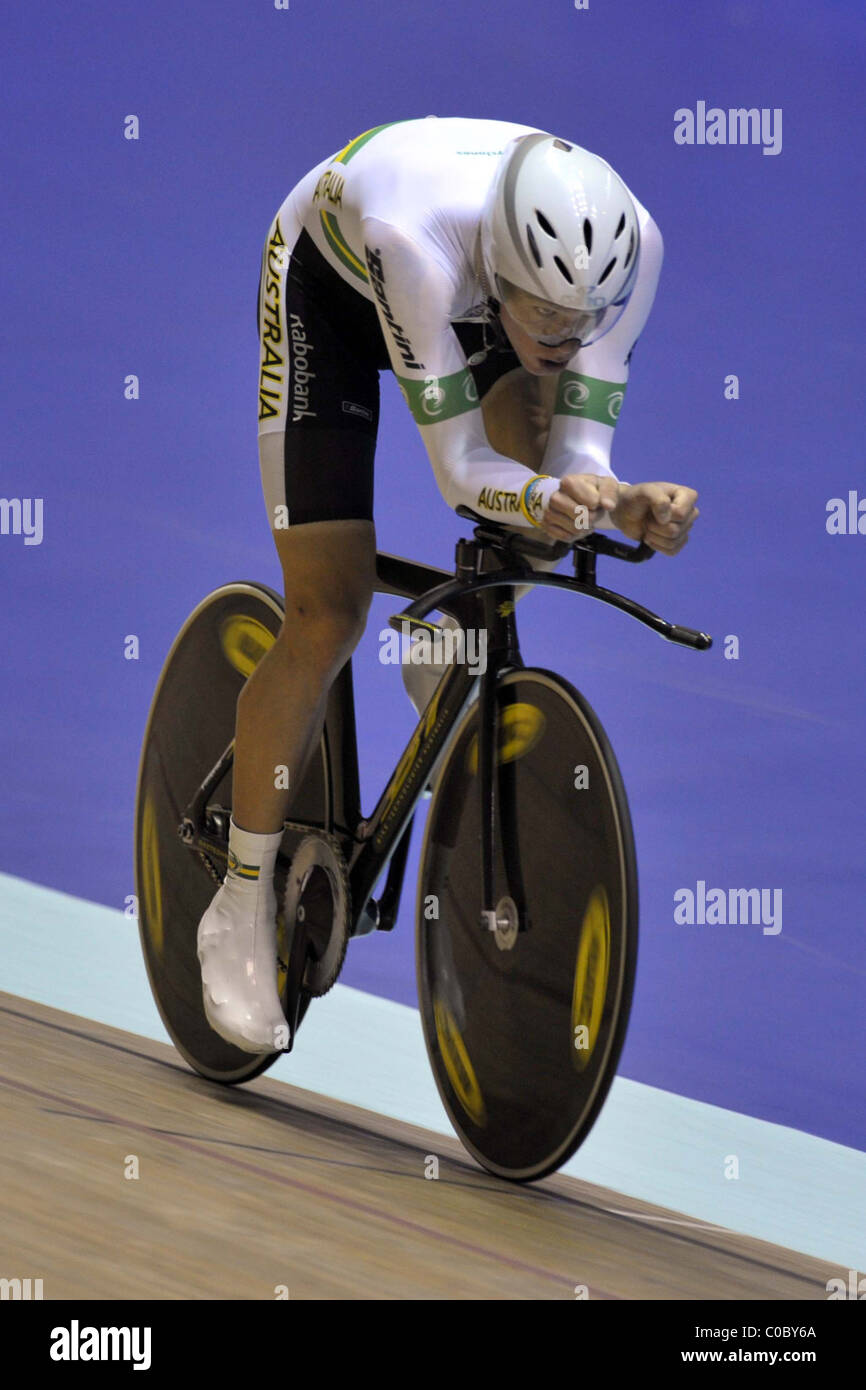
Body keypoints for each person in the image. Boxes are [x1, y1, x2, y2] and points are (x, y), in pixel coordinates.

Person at [197, 117, 699, 1052]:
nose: (564, 337)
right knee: (329, 611)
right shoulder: (412, 238)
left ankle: (447, 643)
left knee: (546, 509)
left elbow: (579, 458)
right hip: (330, 293)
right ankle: (238, 896)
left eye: (579, 323)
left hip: (473, 309)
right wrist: (545, 490)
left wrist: (619, 499)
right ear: (501, 267)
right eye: (545, 316)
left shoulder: (622, 263)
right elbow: (461, 469)